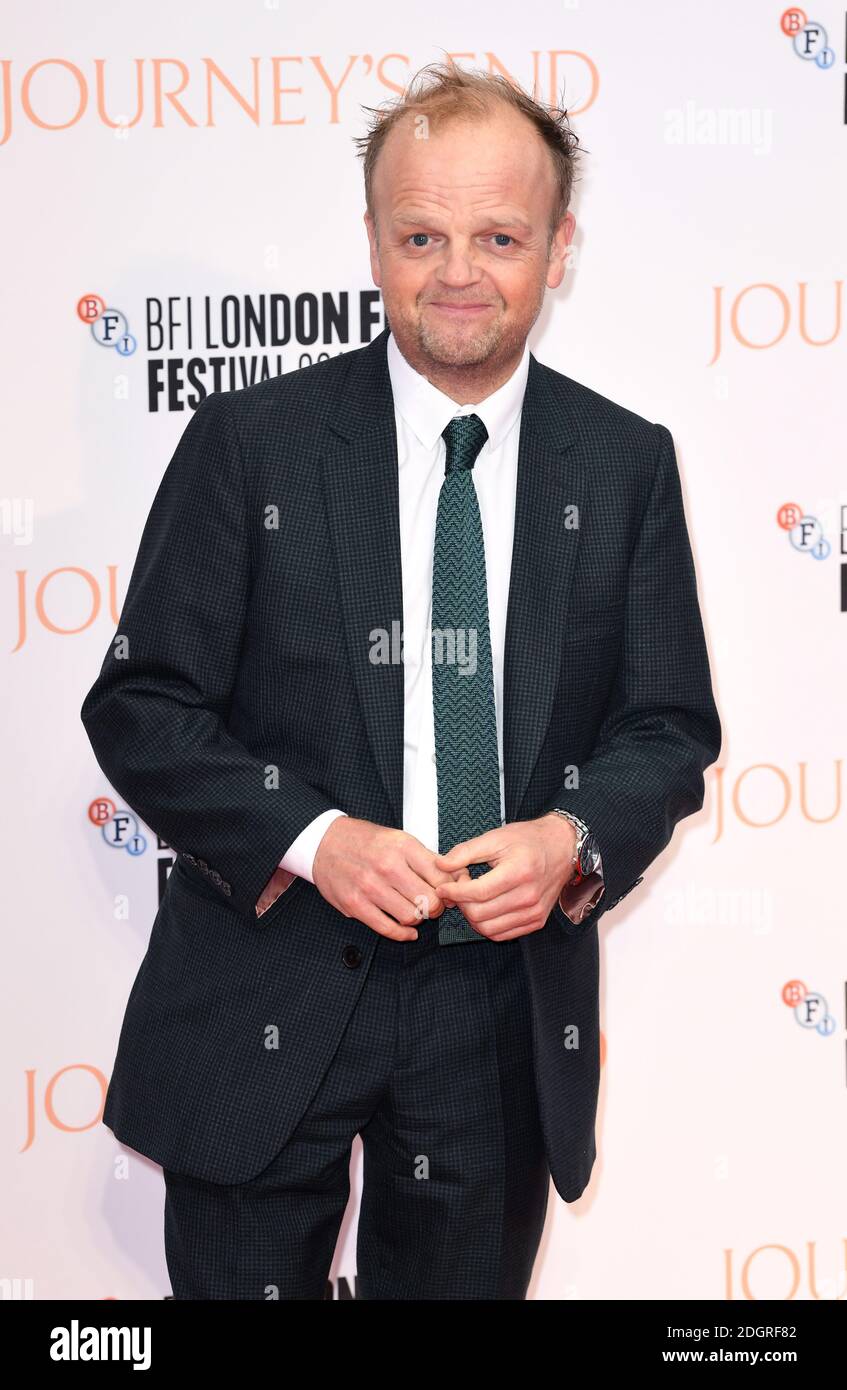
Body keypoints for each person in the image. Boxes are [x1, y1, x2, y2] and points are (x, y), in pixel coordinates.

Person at [80, 61, 721, 1301]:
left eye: (500, 235)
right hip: (268, 978)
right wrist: (315, 841)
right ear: (371, 238)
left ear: (559, 246)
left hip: (492, 1008)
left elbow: (666, 725)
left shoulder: (626, 463)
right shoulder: (247, 443)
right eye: (420, 235)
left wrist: (569, 838)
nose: (459, 272)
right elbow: (142, 704)